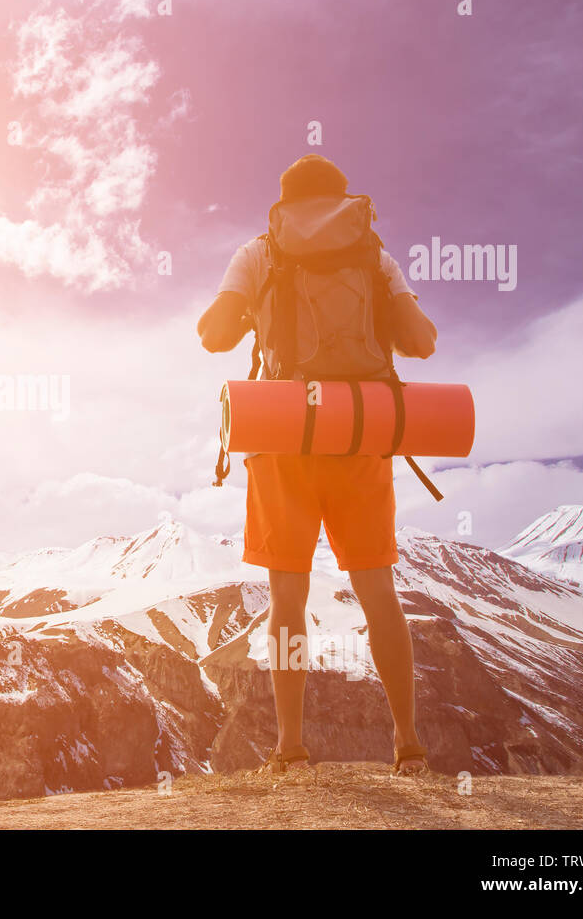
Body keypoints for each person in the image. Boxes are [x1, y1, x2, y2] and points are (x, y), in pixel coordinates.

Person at [196, 154, 438, 776]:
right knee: (378, 590)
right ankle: (408, 746)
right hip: (358, 435)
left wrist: (242, 312)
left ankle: (291, 748)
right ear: (345, 202)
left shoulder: (259, 252)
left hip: (285, 436)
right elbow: (421, 341)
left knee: (287, 592)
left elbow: (216, 336)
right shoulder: (373, 255)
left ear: (284, 204)